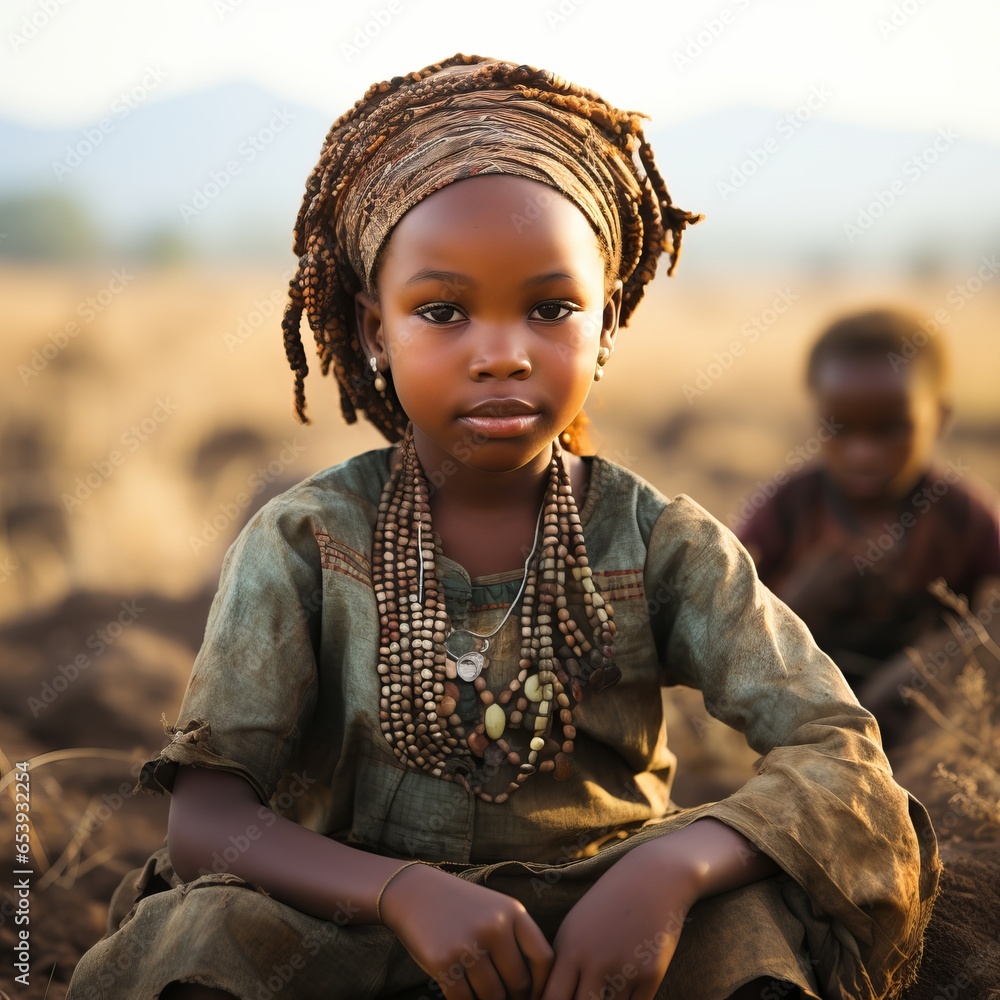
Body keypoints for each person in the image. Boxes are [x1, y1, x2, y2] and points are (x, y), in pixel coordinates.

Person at [68, 55, 938, 1000]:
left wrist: (669, 871)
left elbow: (838, 753)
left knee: (752, 936)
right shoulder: (305, 541)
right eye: (442, 311)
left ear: (607, 324)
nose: (501, 354)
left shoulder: (663, 545)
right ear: (374, 328)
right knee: (203, 937)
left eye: (550, 309)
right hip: (356, 929)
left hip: (603, 944)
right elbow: (206, 821)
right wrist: (401, 892)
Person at [736, 308, 1000, 740]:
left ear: (940, 417)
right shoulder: (787, 507)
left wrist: (937, 658)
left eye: (890, 429)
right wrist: (796, 602)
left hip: (928, 727)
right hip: (799, 726)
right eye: (839, 428)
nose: (862, 452)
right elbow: (728, 620)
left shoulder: (962, 515)